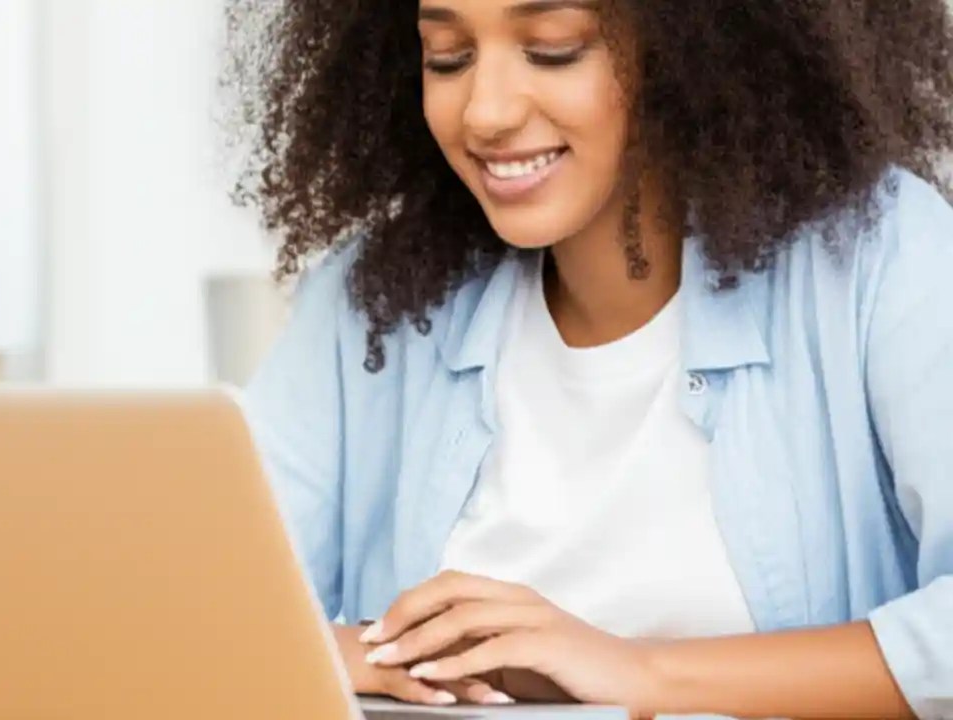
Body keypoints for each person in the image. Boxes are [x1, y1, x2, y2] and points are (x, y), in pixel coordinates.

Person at [222, 0, 953, 717]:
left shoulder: (879, 257)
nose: (486, 112)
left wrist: (635, 673)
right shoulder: (373, 301)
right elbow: (201, 606)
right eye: (448, 57)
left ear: (687, 45)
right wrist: (345, 653)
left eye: (552, 47)